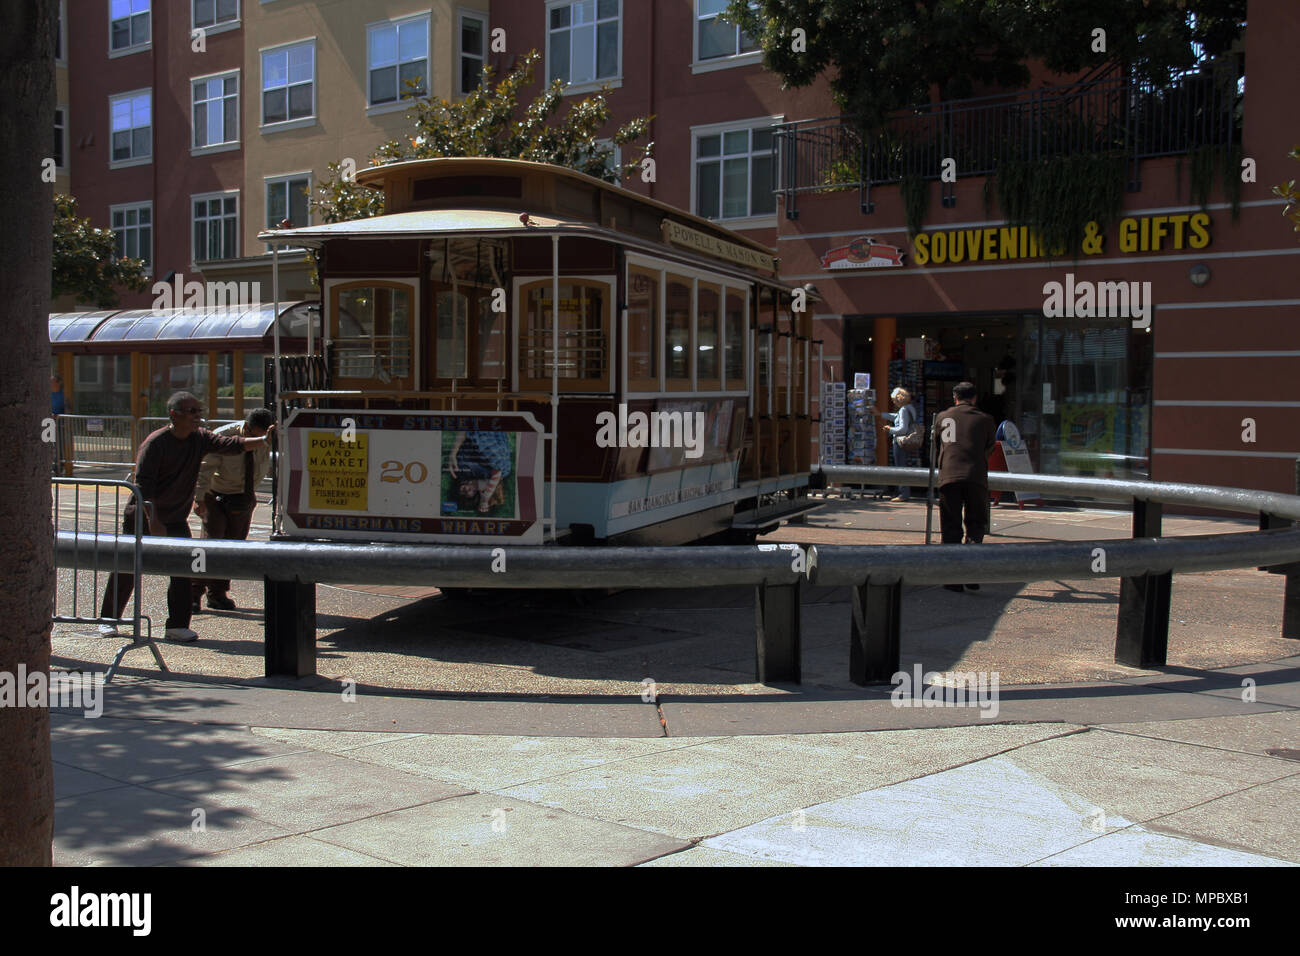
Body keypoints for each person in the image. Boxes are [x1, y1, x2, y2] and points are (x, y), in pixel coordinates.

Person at [97, 392, 275, 642]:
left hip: (176, 518)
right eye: (192, 412)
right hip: (144, 516)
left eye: (198, 411)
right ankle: (108, 620)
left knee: (183, 568)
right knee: (127, 568)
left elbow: (231, 445)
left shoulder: (199, 438)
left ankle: (177, 626)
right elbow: (144, 486)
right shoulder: (156, 443)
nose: (197, 416)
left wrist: (263, 440)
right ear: (174, 414)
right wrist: (153, 519)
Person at [190, 407, 274, 612]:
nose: (261, 441)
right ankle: (192, 593)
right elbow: (204, 469)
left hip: (243, 496)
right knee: (210, 546)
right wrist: (199, 499)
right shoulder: (223, 437)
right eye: (256, 436)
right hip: (216, 496)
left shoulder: (272, 437)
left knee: (233, 547)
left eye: (264, 437)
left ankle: (218, 593)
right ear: (246, 427)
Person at [933, 381, 997, 592]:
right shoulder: (985, 419)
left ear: (955, 397)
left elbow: (937, 444)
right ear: (975, 398)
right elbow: (989, 447)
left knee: (951, 526)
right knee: (975, 525)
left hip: (949, 475)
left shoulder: (943, 417)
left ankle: (952, 578)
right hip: (975, 476)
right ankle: (971, 572)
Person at [448, 429, 512, 515]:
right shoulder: (501, 471)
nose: (465, 491)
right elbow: (497, 471)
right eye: (469, 494)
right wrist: (485, 499)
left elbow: (465, 431)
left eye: (463, 493)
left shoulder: (461, 471)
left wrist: (452, 454)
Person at [885, 387, 919, 502]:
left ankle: (903, 493)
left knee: (901, 466)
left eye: (894, 400)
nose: (894, 402)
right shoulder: (910, 408)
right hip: (909, 441)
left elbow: (902, 429)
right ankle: (903, 491)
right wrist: (881, 414)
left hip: (901, 442)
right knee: (904, 465)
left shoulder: (904, 409)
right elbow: (896, 417)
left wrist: (890, 429)